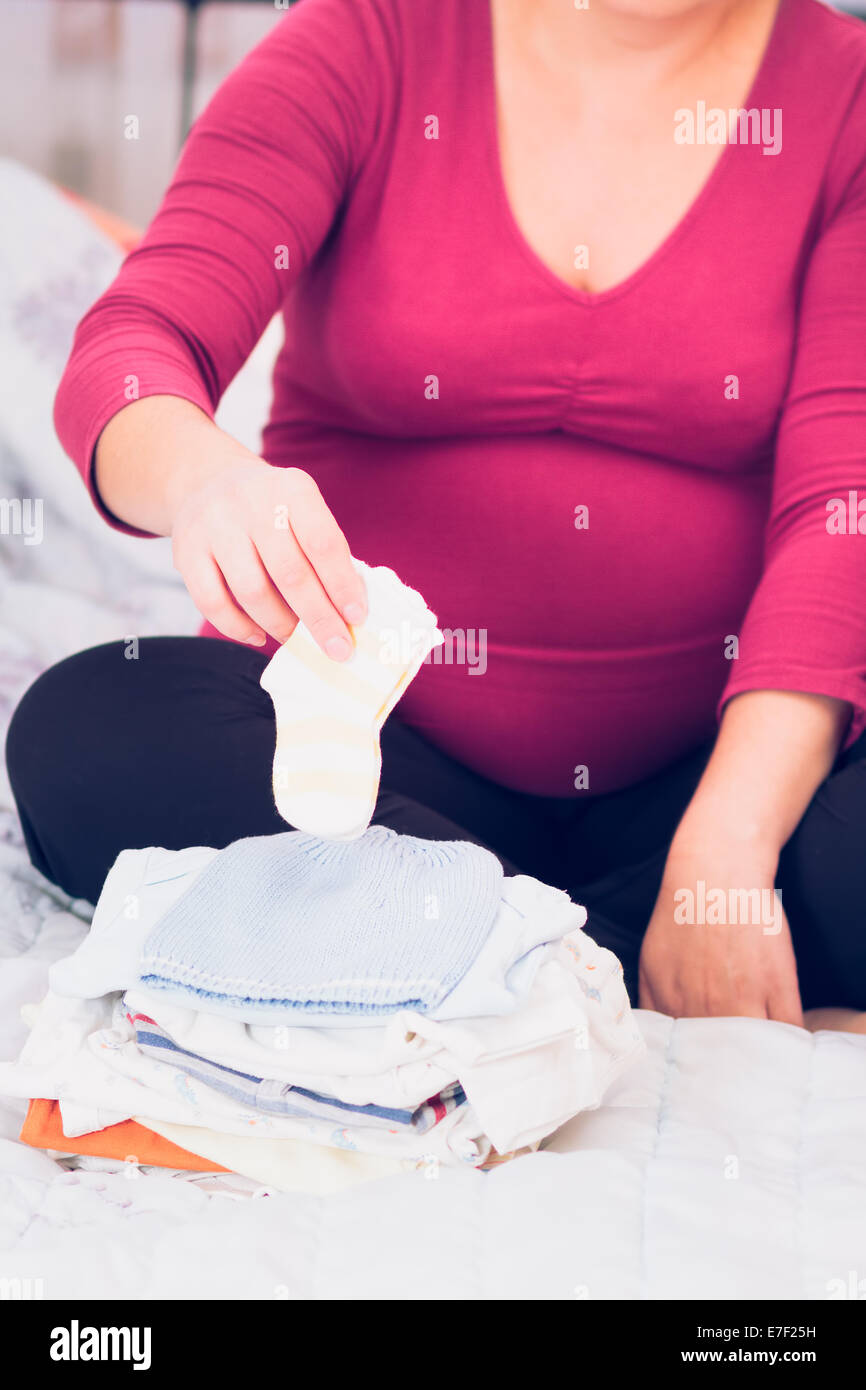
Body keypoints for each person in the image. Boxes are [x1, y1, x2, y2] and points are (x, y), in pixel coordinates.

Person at [7, 0, 866, 1028]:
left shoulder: (845, 96)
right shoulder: (363, 41)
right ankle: (577, 954)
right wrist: (202, 477)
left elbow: (839, 507)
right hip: (373, 775)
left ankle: (469, 947)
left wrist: (727, 848)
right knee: (94, 733)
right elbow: (141, 339)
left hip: (711, 780)